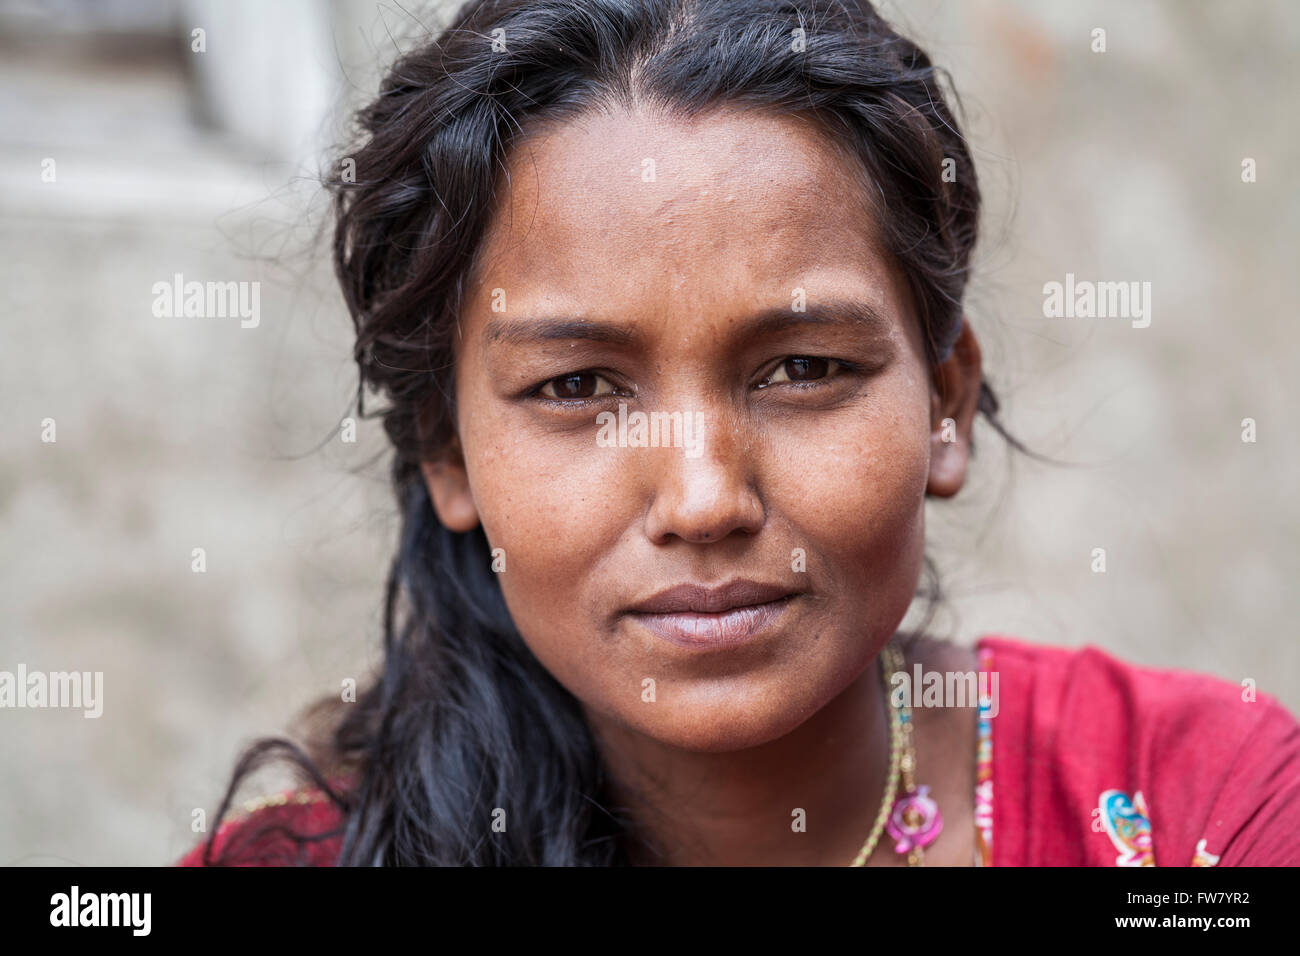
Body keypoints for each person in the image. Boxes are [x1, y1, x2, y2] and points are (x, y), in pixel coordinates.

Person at [179, 0, 1300, 867]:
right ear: (448, 451)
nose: (706, 495)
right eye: (577, 386)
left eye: (804, 369)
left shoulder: (1193, 806)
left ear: (945, 405)